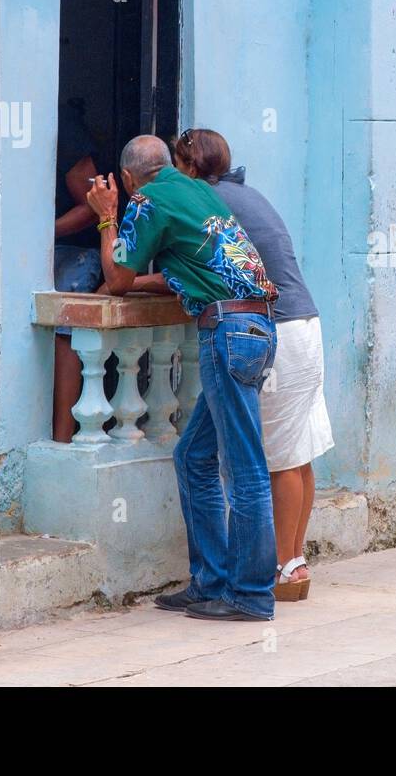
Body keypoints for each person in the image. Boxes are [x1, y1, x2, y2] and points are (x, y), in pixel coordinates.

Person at [86, 135, 281, 622]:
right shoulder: (197, 191)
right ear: (167, 165)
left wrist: (108, 215)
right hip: (256, 326)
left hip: (227, 332)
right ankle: (210, 581)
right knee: (194, 456)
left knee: (245, 468)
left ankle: (252, 594)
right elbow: (192, 267)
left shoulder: (147, 200)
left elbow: (119, 279)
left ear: (128, 179)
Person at [172, 129, 333, 602]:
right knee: (297, 453)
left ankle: (281, 568)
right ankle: (294, 562)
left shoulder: (209, 202)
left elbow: (197, 262)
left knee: (278, 459)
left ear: (189, 167)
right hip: (305, 325)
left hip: (274, 330)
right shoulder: (245, 193)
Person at [52, 102, 102, 443]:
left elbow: (91, 205)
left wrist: (43, 232)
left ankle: (61, 440)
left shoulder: (64, 128)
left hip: (76, 251)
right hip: (44, 249)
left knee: (65, 335)